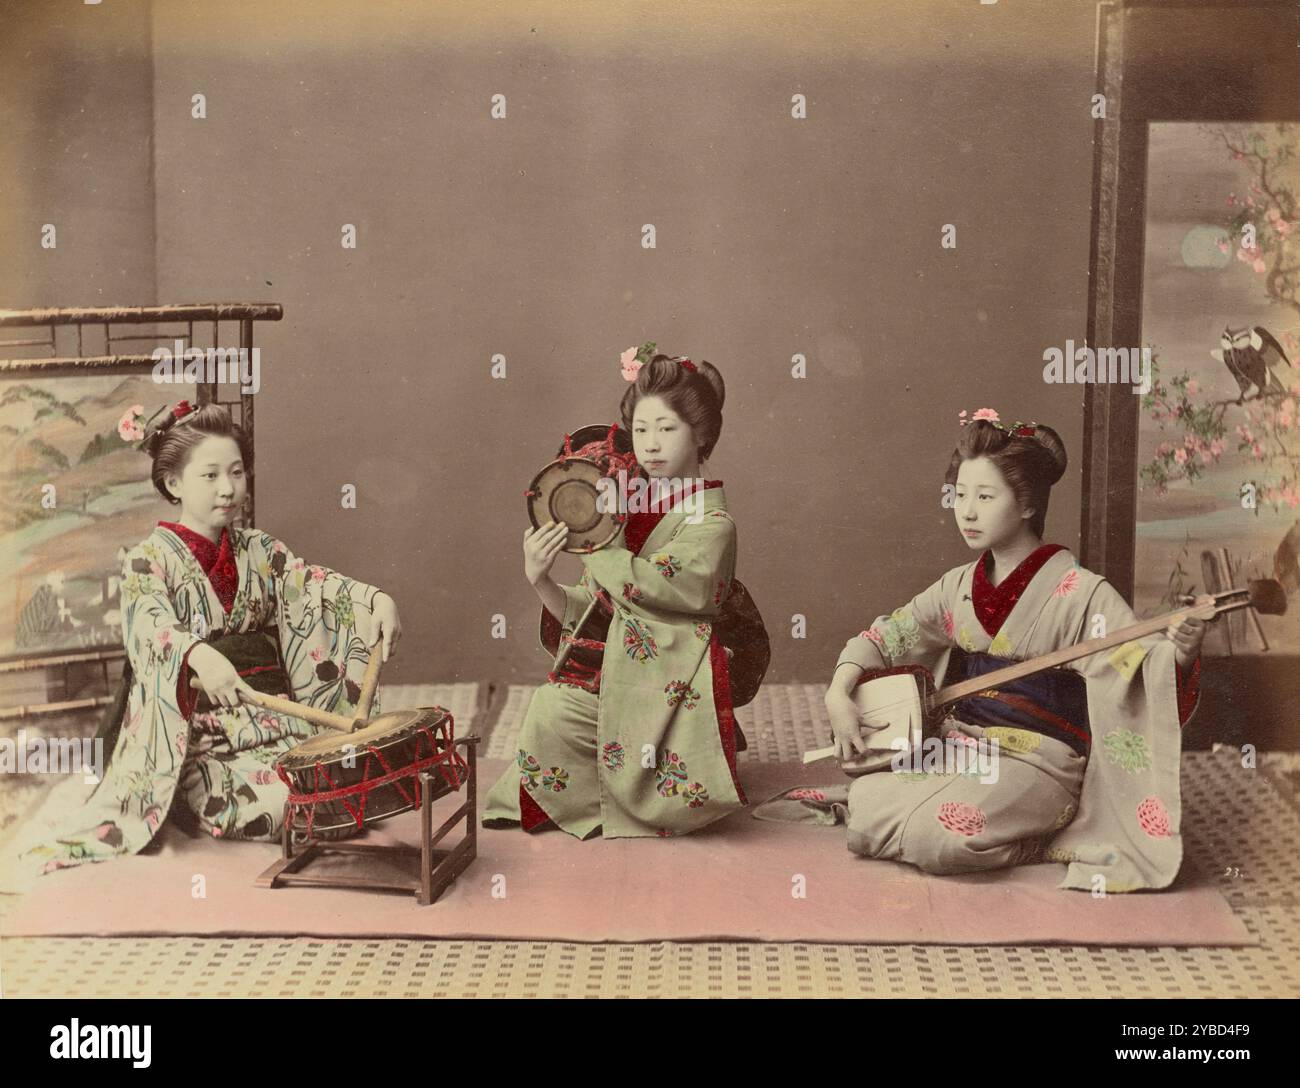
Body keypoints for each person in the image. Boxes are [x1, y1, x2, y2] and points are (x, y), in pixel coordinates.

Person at [756, 412, 1205, 893]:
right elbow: (885, 637)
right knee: (867, 807)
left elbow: (1136, 665)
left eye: (985, 497)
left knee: (942, 838)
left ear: (1028, 504)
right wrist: (839, 692)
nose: (967, 512)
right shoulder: (958, 587)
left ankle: (1049, 833)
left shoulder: (1081, 593)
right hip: (963, 743)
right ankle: (993, 818)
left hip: (1042, 761)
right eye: (961, 495)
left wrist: (1177, 655)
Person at [1, 401, 400, 889]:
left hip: (274, 718)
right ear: (174, 484)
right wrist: (195, 654)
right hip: (202, 737)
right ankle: (190, 804)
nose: (228, 488)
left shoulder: (259, 550)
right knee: (282, 804)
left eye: (235, 472)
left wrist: (373, 600)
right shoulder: (148, 561)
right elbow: (150, 627)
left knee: (345, 777)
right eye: (209, 475)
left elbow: (313, 585)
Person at [482, 345, 747, 838]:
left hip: (673, 674)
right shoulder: (631, 509)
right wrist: (540, 578)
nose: (650, 446)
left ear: (702, 433)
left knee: (554, 712)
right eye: (641, 430)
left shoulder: (713, 523)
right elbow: (598, 609)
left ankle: (617, 798)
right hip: (627, 666)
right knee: (551, 706)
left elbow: (646, 588)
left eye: (667, 429)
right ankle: (585, 795)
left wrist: (592, 541)